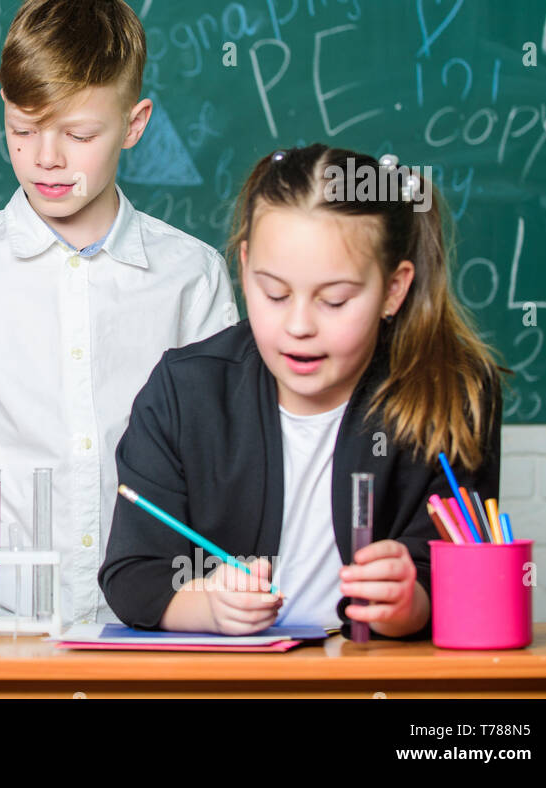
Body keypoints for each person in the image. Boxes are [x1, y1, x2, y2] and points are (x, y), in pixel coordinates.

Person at [0, 0, 235, 624]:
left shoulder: (191, 278)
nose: (47, 158)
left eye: (79, 134)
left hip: (154, 626)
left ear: (134, 124)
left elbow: (219, 445)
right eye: (24, 128)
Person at [99, 144, 503, 638]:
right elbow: (132, 574)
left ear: (393, 290)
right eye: (274, 293)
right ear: (244, 266)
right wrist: (206, 606)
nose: (298, 326)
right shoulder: (184, 391)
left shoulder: (451, 394)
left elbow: (458, 576)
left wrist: (410, 602)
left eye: (334, 300)